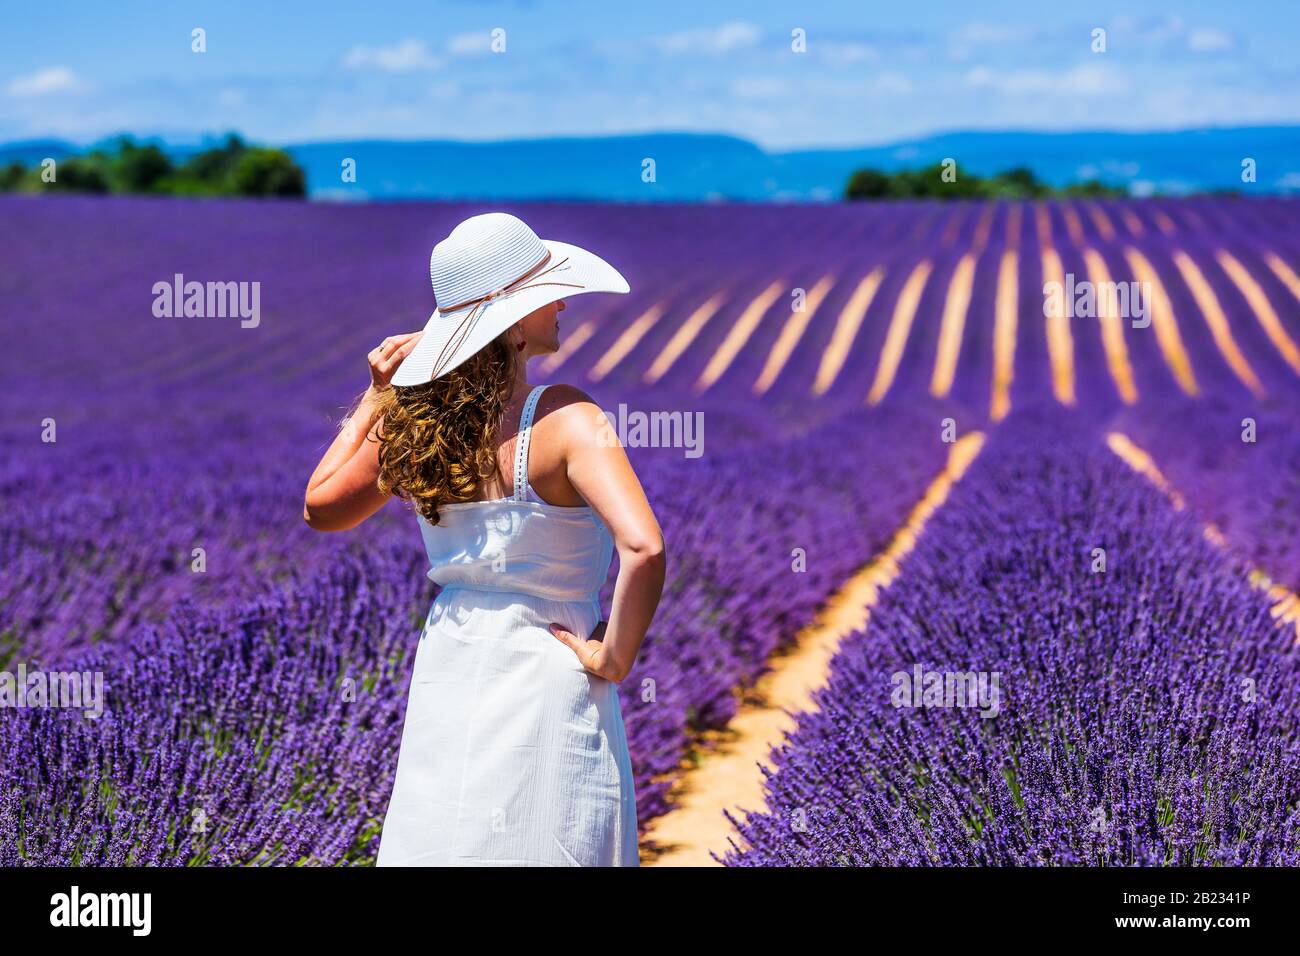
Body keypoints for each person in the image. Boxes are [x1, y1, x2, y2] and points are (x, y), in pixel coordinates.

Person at [303, 212, 665, 866]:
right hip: (546, 676)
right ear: (513, 322)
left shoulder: (417, 425)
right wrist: (613, 660)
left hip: (452, 663)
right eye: (546, 295)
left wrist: (376, 397)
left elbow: (320, 508)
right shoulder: (568, 418)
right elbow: (645, 548)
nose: (561, 304)